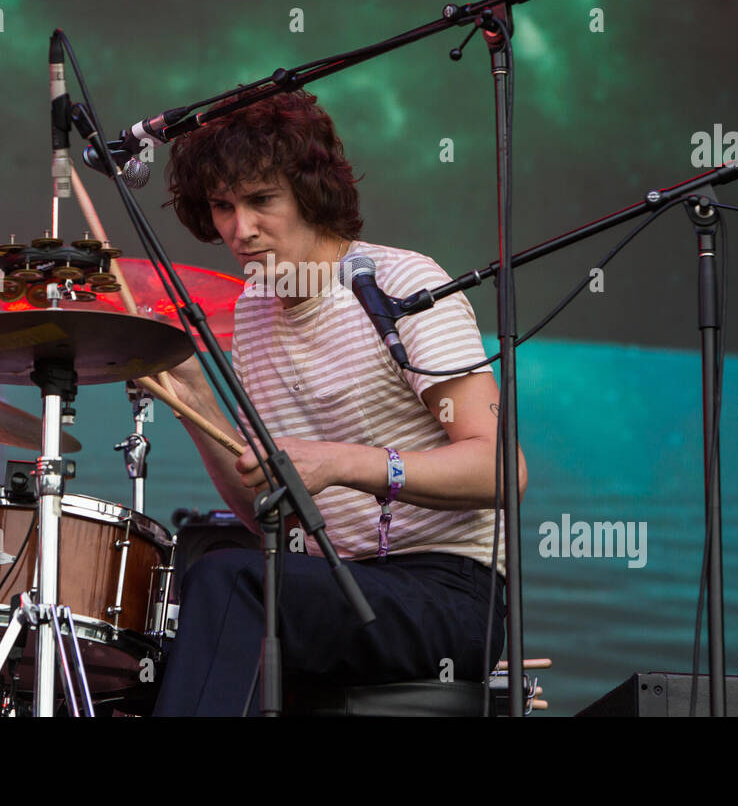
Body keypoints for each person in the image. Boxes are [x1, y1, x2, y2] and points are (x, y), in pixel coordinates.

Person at [150, 90, 527, 716]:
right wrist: (191, 393)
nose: (239, 231)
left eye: (261, 200)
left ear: (311, 192)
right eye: (222, 207)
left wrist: (340, 461)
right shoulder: (254, 312)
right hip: (340, 584)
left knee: (228, 582)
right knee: (201, 570)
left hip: (451, 592)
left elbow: (501, 469)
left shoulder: (402, 284)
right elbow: (272, 509)